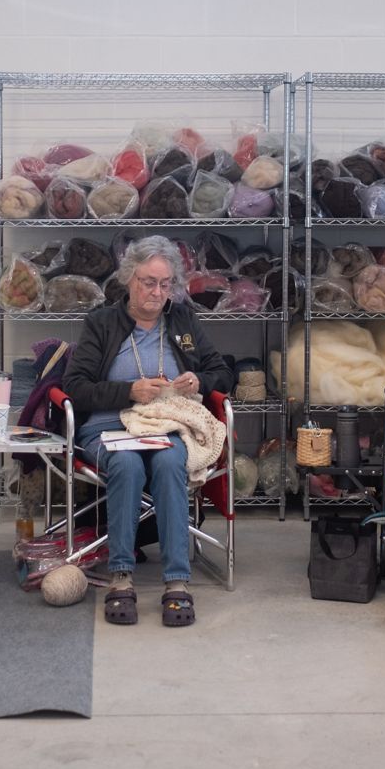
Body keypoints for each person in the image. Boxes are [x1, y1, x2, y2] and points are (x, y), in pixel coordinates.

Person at [62, 236, 232, 627]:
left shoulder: (183, 320)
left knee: (172, 462)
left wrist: (198, 379)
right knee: (126, 466)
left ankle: (177, 581)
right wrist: (128, 391)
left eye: (165, 283)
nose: (157, 292)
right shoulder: (102, 323)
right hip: (109, 426)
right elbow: (76, 386)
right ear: (129, 280)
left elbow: (223, 371)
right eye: (148, 282)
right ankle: (121, 575)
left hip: (165, 424)